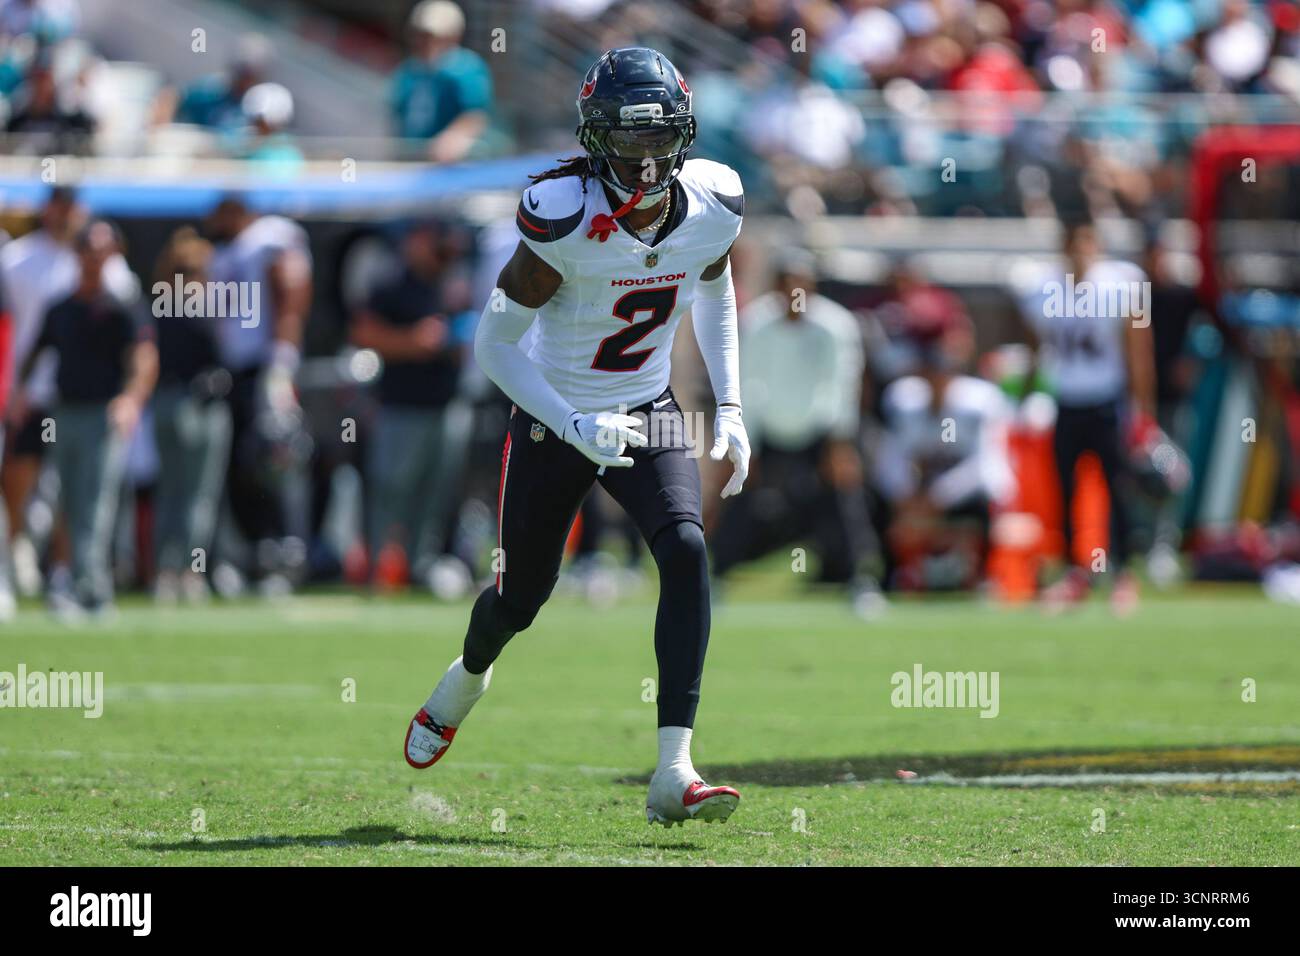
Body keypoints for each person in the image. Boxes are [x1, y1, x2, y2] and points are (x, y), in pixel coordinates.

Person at [403, 48, 749, 828]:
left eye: (663, 140)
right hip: (551, 413)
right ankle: (466, 677)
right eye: (631, 144)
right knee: (522, 597)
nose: (650, 160)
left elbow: (716, 290)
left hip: (649, 405)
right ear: (597, 142)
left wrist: (730, 404)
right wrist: (572, 422)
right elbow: (493, 348)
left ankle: (674, 768)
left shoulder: (715, 201)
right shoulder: (562, 216)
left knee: (687, 550)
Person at [712, 249, 881, 608]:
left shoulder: (836, 326)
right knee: (740, 498)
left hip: (820, 432)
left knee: (842, 504)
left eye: (801, 285)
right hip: (769, 430)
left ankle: (860, 582)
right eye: (786, 285)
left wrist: (839, 442)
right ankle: (715, 578)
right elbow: (745, 384)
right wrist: (748, 443)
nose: (794, 293)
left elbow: (843, 384)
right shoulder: (755, 323)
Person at [1013, 217, 1157, 614]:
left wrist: (1143, 409)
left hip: (1108, 401)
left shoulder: (1121, 284)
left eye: (1088, 242)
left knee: (1118, 490)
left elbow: (1137, 348)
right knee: (1065, 491)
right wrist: (1025, 395)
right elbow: (1035, 348)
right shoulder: (1043, 288)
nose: (1081, 252)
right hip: (1067, 400)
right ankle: (1076, 573)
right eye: (1075, 243)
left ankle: (1123, 573)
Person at [14, 220, 157, 618]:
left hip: (102, 413)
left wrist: (130, 399)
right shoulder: (62, 306)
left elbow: (143, 357)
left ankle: (90, 587)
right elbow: (35, 353)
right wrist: (18, 397)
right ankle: (70, 580)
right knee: (64, 500)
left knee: (96, 500)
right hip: (64, 412)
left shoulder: (123, 306)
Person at [350, 220, 470, 587]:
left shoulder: (452, 282)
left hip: (447, 404)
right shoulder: (391, 284)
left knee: (435, 492)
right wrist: (412, 342)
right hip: (402, 407)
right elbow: (363, 333)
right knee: (391, 489)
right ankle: (376, 570)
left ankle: (421, 566)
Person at [205, 195, 313, 594]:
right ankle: (254, 555)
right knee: (240, 465)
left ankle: (283, 555)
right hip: (237, 373)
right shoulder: (230, 247)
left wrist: (281, 363)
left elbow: (290, 295)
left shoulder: (268, 237)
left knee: (274, 459)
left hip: (264, 369)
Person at [151, 228, 231, 604]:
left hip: (165, 404)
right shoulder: (199, 309)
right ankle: (187, 572)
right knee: (197, 495)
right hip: (195, 406)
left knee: (171, 491)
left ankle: (164, 572)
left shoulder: (158, 307)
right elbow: (216, 363)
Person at [389, 0, 493, 162]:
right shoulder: (408, 71)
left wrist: (454, 138)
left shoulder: (466, 68)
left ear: (453, 37)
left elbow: (475, 115)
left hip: (452, 167)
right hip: (412, 160)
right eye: (420, 35)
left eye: (432, 36)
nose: (425, 43)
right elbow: (398, 116)